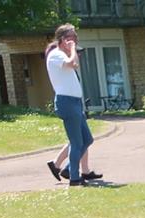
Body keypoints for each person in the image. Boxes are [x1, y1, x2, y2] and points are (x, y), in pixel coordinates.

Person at [44, 25, 100, 186]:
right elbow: (73, 64)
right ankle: (74, 178)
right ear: (62, 40)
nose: (75, 40)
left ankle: (68, 169)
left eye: (75, 37)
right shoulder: (55, 55)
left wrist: (72, 49)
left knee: (87, 139)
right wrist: (73, 49)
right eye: (72, 37)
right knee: (76, 142)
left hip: (74, 102)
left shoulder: (62, 54)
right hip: (66, 103)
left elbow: (73, 63)